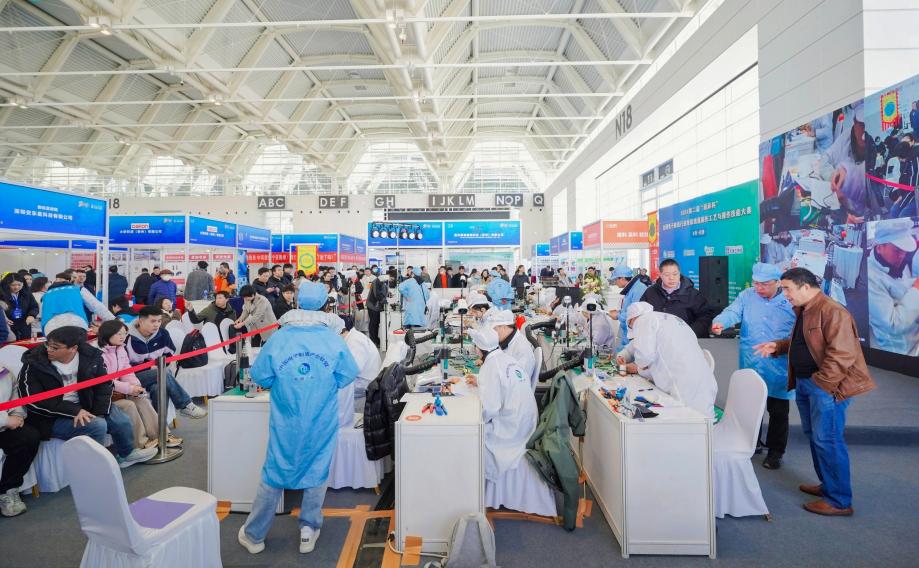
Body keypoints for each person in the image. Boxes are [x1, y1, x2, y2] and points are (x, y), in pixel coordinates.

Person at [237, 281, 358, 556]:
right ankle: (308, 529)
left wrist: (285, 385)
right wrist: (323, 384)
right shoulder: (332, 338)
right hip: (321, 416)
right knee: (317, 469)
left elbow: (260, 374)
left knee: (275, 470)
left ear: (297, 302)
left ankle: (254, 534)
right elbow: (348, 374)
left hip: (286, 417)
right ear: (325, 305)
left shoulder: (280, 336)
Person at [753, 268, 877, 516]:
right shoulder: (806, 308)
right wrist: (779, 346)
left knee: (827, 439)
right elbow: (805, 343)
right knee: (817, 437)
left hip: (825, 387)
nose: (784, 293)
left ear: (806, 287)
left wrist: (822, 385)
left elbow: (842, 354)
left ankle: (838, 501)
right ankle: (829, 485)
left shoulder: (833, 311)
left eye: (787, 288)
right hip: (807, 384)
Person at [20, 326, 157, 468]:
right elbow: (33, 400)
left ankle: (126, 454)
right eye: (47, 345)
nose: (49, 349)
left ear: (73, 348)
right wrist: (74, 411)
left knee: (120, 420)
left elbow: (104, 385)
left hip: (86, 404)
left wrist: (98, 411)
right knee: (97, 425)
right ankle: (93, 467)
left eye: (55, 347)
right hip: (51, 416)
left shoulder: (91, 356)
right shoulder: (35, 363)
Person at [711, 263, 796, 469]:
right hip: (752, 360)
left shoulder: (790, 299)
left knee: (778, 410)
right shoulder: (747, 296)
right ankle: (752, 442)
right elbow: (732, 312)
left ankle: (776, 452)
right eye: (756, 283)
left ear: (778, 282)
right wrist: (721, 321)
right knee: (750, 405)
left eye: (764, 284)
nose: (759, 288)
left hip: (779, 363)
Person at [617, 302, 717, 419]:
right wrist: (623, 355)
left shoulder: (642, 321)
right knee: (704, 422)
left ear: (631, 320)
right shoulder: (669, 319)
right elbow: (638, 345)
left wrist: (637, 367)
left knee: (688, 421)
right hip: (705, 383)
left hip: (682, 387)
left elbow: (644, 357)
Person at [464, 327, 537, 482]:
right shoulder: (505, 358)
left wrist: (466, 415)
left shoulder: (490, 366)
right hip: (526, 425)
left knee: (467, 436)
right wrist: (481, 383)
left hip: (510, 432)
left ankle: (471, 485)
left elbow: (488, 411)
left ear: (480, 349)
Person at [98, 319, 181, 450]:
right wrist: (130, 388)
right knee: (130, 405)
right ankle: (140, 443)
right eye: (119, 334)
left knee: (141, 399)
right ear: (108, 334)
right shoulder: (100, 354)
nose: (123, 337)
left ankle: (161, 435)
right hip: (105, 396)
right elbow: (106, 381)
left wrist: (136, 387)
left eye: (124, 333)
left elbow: (127, 371)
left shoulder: (120, 349)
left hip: (120, 391)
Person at [126, 306, 207, 419]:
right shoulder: (126, 337)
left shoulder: (163, 334)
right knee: (163, 373)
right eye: (153, 321)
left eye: (159, 321)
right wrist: (149, 368)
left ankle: (159, 426)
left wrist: (159, 365)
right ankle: (185, 405)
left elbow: (169, 356)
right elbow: (123, 365)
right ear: (141, 321)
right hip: (131, 377)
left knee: (159, 388)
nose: (157, 324)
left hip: (156, 375)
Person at [867, 218, 919, 355]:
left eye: (905, 250)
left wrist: (914, 284)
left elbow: (900, 287)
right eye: (897, 250)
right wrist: (916, 289)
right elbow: (893, 324)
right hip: (902, 350)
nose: (902, 256)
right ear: (880, 247)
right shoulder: (870, 277)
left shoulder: (894, 264)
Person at [640, 259, 717, 338]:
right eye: (667, 275)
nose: (671, 278)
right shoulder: (650, 292)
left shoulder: (693, 294)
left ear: (679, 273)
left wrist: (690, 333)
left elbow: (705, 316)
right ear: (660, 275)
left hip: (686, 339)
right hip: (657, 339)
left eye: (675, 274)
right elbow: (641, 315)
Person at [0, 364, 40, 517]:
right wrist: (5, 420)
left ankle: (8, 490)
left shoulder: (5, 373)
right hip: (3, 422)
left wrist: (17, 415)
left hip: (4, 426)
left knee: (29, 437)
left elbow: (15, 397)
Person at [39, 271, 114, 334]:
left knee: (56, 346)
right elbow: (96, 306)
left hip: (51, 327)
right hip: (76, 323)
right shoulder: (78, 289)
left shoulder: (46, 295)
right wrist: (113, 321)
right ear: (69, 280)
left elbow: (41, 313)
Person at [487, 309, 536, 381]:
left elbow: (519, 380)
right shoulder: (506, 340)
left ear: (503, 327)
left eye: (495, 330)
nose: (493, 334)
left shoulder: (522, 349)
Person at [340, 318, 381, 403]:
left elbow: (350, 371)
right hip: (366, 380)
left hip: (364, 385)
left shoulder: (355, 342)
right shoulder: (353, 337)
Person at [608, 265, 647, 351]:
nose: (615, 283)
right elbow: (629, 308)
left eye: (615, 280)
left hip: (634, 335)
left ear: (622, 278)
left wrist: (618, 315)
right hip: (627, 333)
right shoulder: (632, 288)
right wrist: (619, 312)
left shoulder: (639, 289)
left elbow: (636, 314)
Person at [364, 267, 388, 347]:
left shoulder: (382, 282)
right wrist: (383, 300)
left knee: (377, 323)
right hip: (373, 306)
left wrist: (388, 294)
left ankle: (376, 339)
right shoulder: (376, 281)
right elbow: (376, 294)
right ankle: (373, 340)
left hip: (377, 306)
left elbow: (382, 292)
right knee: (373, 323)